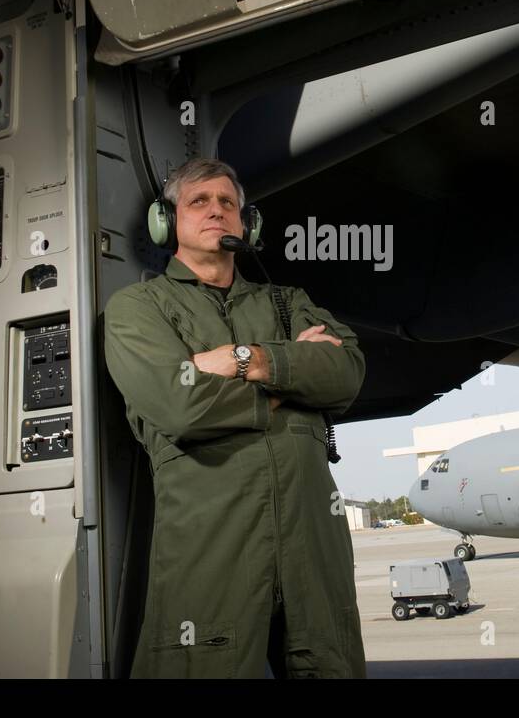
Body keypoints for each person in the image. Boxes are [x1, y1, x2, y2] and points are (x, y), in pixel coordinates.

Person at [104, 157, 368, 678]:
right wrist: (290, 377)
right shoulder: (139, 308)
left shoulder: (290, 302)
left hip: (313, 543)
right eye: (198, 201)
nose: (216, 211)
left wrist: (243, 359)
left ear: (248, 223)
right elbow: (179, 406)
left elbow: (346, 373)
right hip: (211, 544)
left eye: (228, 202)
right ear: (167, 221)